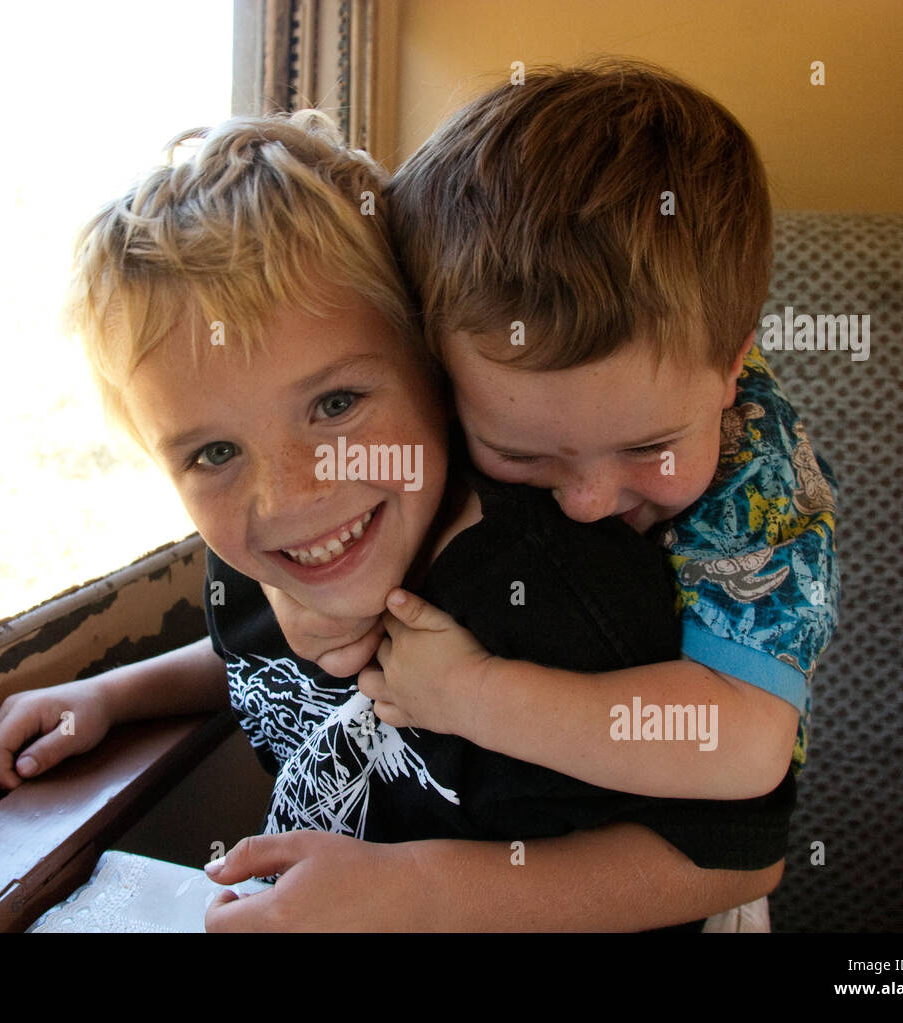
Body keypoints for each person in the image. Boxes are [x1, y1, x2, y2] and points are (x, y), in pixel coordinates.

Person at [0, 109, 792, 931]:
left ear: (438, 368)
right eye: (214, 453)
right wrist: (114, 695)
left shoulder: (552, 593)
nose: (289, 496)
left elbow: (735, 858)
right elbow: (257, 656)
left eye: (336, 404)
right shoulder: (268, 556)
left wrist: (421, 892)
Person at [266, 59, 840, 809]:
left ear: (733, 369)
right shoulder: (438, 389)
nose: (588, 501)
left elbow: (740, 740)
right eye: (522, 453)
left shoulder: (762, 479)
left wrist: (478, 695)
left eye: (648, 447)